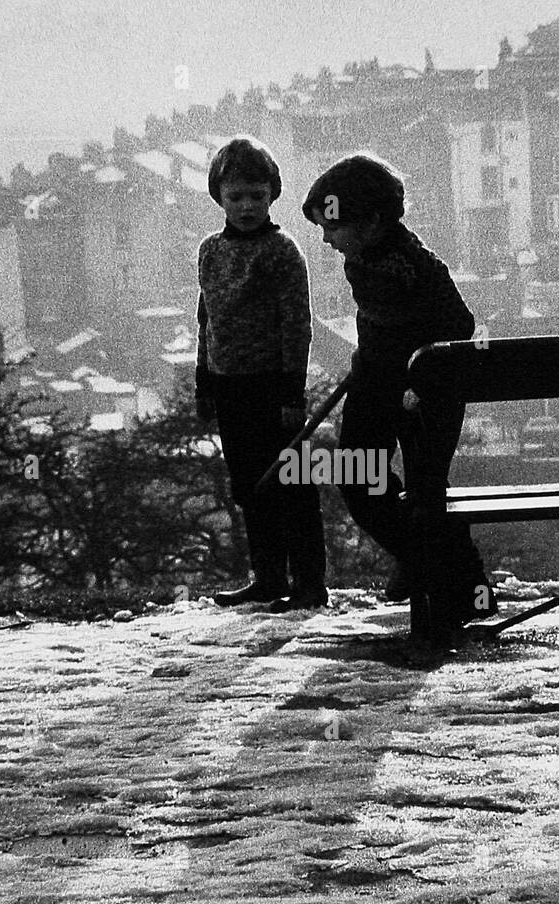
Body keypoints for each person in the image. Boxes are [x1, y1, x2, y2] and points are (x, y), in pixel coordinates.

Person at [300, 152, 494, 642]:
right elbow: (376, 320)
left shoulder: (413, 266)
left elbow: (459, 325)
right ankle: (425, 561)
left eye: (332, 226)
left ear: (371, 222)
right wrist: (370, 357)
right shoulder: (361, 257)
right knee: (358, 475)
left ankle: (458, 582)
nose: (326, 238)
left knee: (428, 493)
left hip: (424, 392)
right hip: (378, 382)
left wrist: (412, 369)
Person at [195, 136, 327, 612]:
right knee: (250, 486)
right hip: (229, 388)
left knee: (292, 484)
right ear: (219, 197)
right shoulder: (210, 251)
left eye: (257, 194)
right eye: (236, 196)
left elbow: (298, 325)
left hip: (273, 387)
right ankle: (268, 576)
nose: (247, 205)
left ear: (273, 193)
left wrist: (293, 393)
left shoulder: (282, 251)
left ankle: (309, 582)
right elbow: (206, 319)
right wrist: (204, 383)